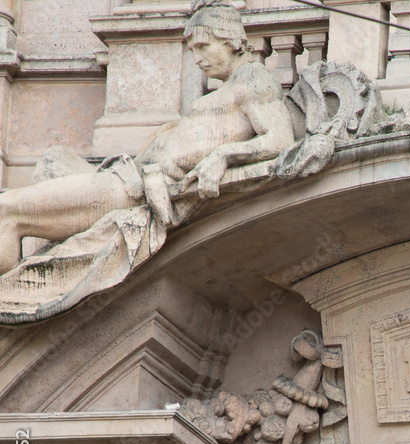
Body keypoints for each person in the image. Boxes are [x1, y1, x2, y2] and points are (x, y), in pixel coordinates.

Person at [0, 0, 293, 274]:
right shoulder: (226, 90)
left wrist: (223, 155)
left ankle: (15, 294)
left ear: (231, 41)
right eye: (192, 50)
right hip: (126, 172)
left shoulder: (254, 80)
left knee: (7, 210)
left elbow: (280, 140)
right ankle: (31, 273)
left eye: (204, 46)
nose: (197, 58)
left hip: (136, 189)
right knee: (54, 159)